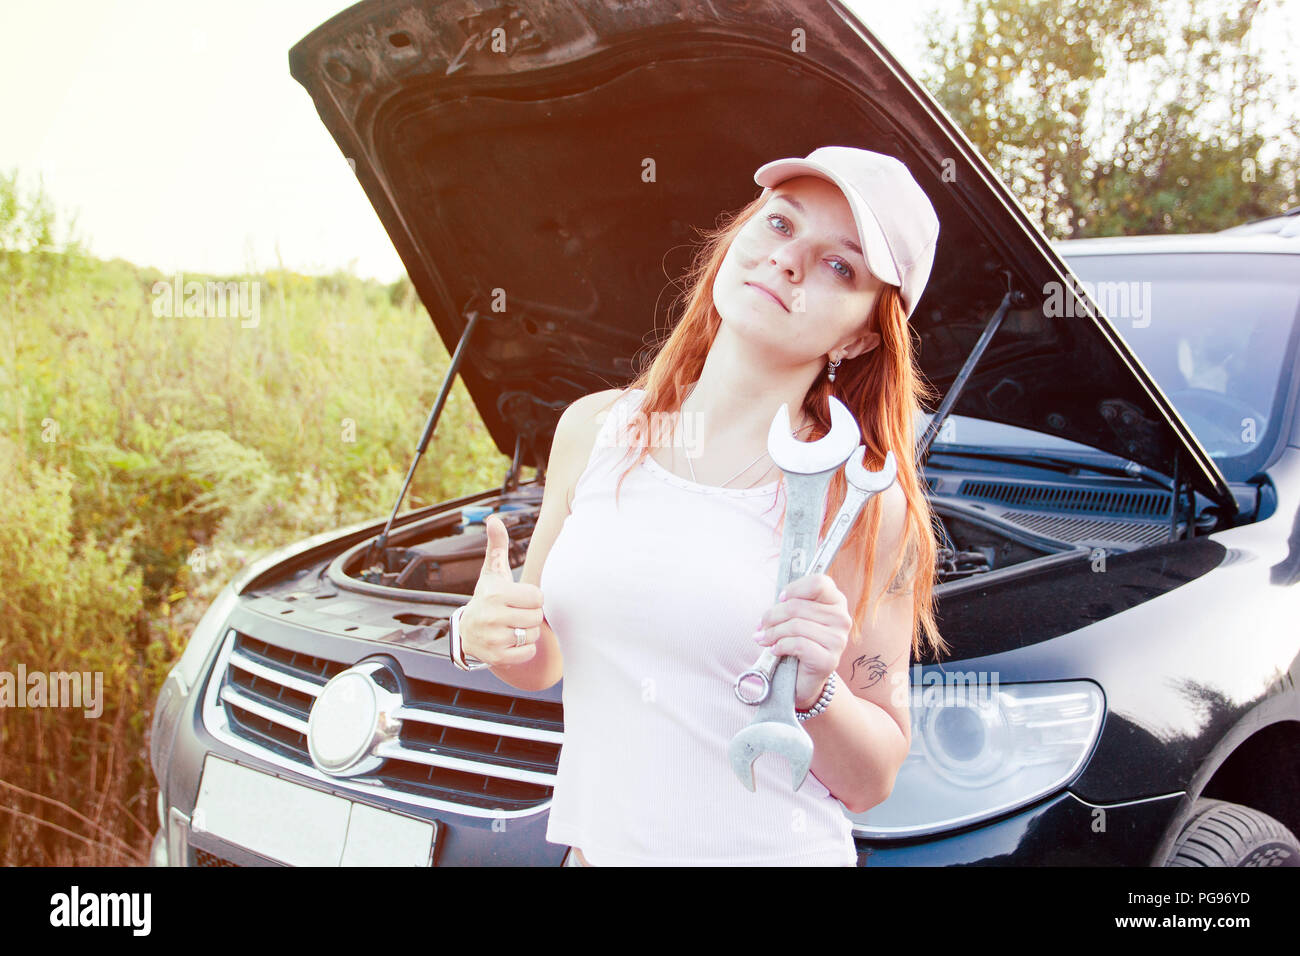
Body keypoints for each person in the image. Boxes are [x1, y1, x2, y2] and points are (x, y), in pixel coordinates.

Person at [454, 146, 951, 866]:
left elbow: (873, 780)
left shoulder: (862, 501)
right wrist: (483, 632)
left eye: (839, 265)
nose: (789, 261)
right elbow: (544, 660)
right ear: (739, 237)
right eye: (781, 224)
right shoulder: (595, 430)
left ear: (861, 334)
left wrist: (818, 690)